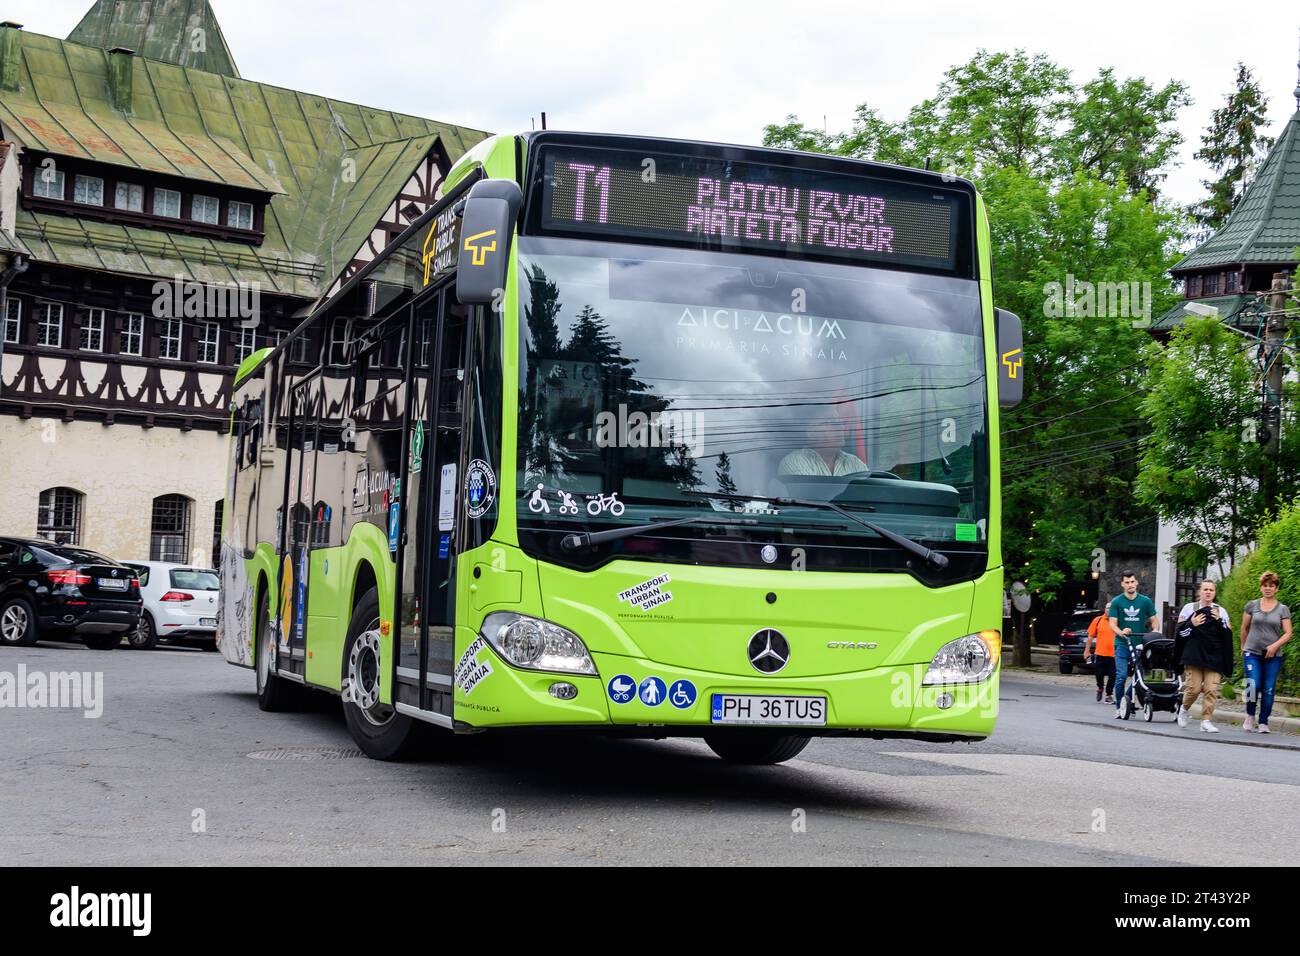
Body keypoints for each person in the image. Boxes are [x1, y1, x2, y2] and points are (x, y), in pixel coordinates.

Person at [1174, 580, 1234, 733]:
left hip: (1214, 656)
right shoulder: (1189, 608)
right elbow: (1179, 634)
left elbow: (1227, 636)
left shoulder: (1221, 611)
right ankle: (1184, 708)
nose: (1208, 592)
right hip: (1194, 655)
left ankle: (1206, 720)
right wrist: (1191, 623)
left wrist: (1220, 621)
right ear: (1199, 592)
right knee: (1193, 689)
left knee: (1211, 688)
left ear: (1214, 593)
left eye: (1211, 590)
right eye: (1205, 589)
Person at [1240, 571, 1293, 734]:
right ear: (1261, 587)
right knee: (1253, 683)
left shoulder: (1282, 609)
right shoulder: (1252, 605)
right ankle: (1250, 715)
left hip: (1273, 655)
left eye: (1272, 586)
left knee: (1268, 688)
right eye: (1265, 585)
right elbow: (1244, 628)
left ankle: (1263, 722)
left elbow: (1288, 632)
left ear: (1276, 588)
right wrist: (1243, 647)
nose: (1268, 588)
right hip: (1252, 652)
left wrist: (1274, 646)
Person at [1107, 571, 1158, 719]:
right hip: (1122, 644)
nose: (1130, 585)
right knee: (1121, 676)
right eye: (1127, 582)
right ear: (1123, 584)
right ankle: (1118, 707)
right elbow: (1112, 623)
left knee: (1140, 676)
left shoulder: (1145, 601)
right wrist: (1121, 631)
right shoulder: (1117, 601)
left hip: (1139, 645)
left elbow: (1154, 620)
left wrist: (1154, 631)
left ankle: (1125, 701)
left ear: (1136, 583)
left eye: (1132, 582)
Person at [778, 407, 869, 477]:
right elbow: (810, 498)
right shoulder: (795, 461)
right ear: (810, 432)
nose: (840, 427)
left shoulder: (855, 463)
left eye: (840, 422)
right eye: (830, 422)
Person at [1083, 611, 1116, 703]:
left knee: (1113, 675)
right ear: (1105, 609)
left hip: (1114, 654)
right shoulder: (1098, 620)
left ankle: (1109, 694)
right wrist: (1087, 651)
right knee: (1099, 673)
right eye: (1108, 608)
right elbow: (1090, 637)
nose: (1109, 610)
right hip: (1100, 653)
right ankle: (1100, 688)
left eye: (1111, 608)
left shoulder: (1118, 620)